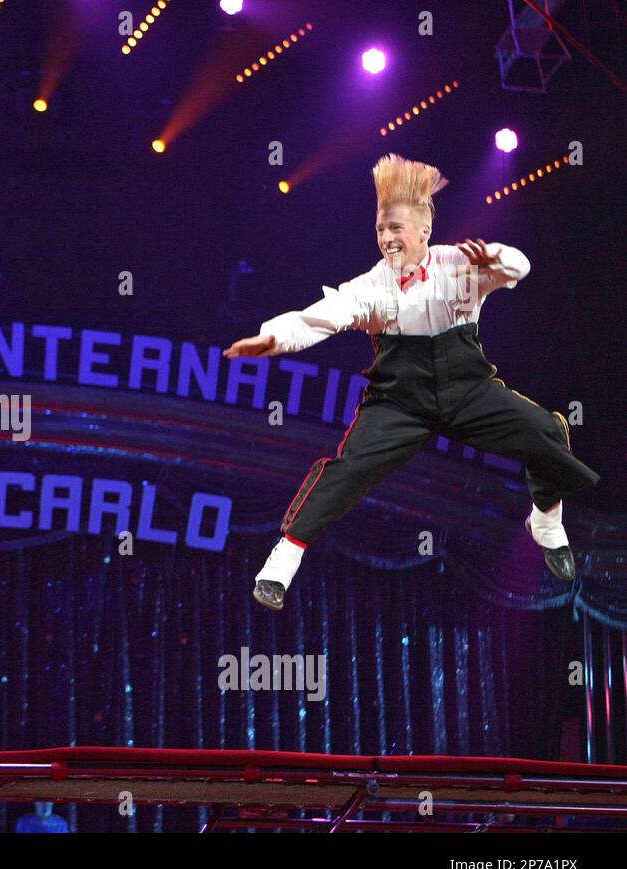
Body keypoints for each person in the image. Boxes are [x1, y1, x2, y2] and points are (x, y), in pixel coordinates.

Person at [224, 154, 600, 612]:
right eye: (381, 229)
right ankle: (281, 562)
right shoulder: (370, 287)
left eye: (396, 228)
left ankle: (545, 520)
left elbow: (519, 268)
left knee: (547, 431)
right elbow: (317, 320)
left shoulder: (460, 264)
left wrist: (497, 258)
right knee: (349, 469)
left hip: (467, 390)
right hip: (399, 401)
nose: (386, 238)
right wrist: (273, 338)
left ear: (424, 230)